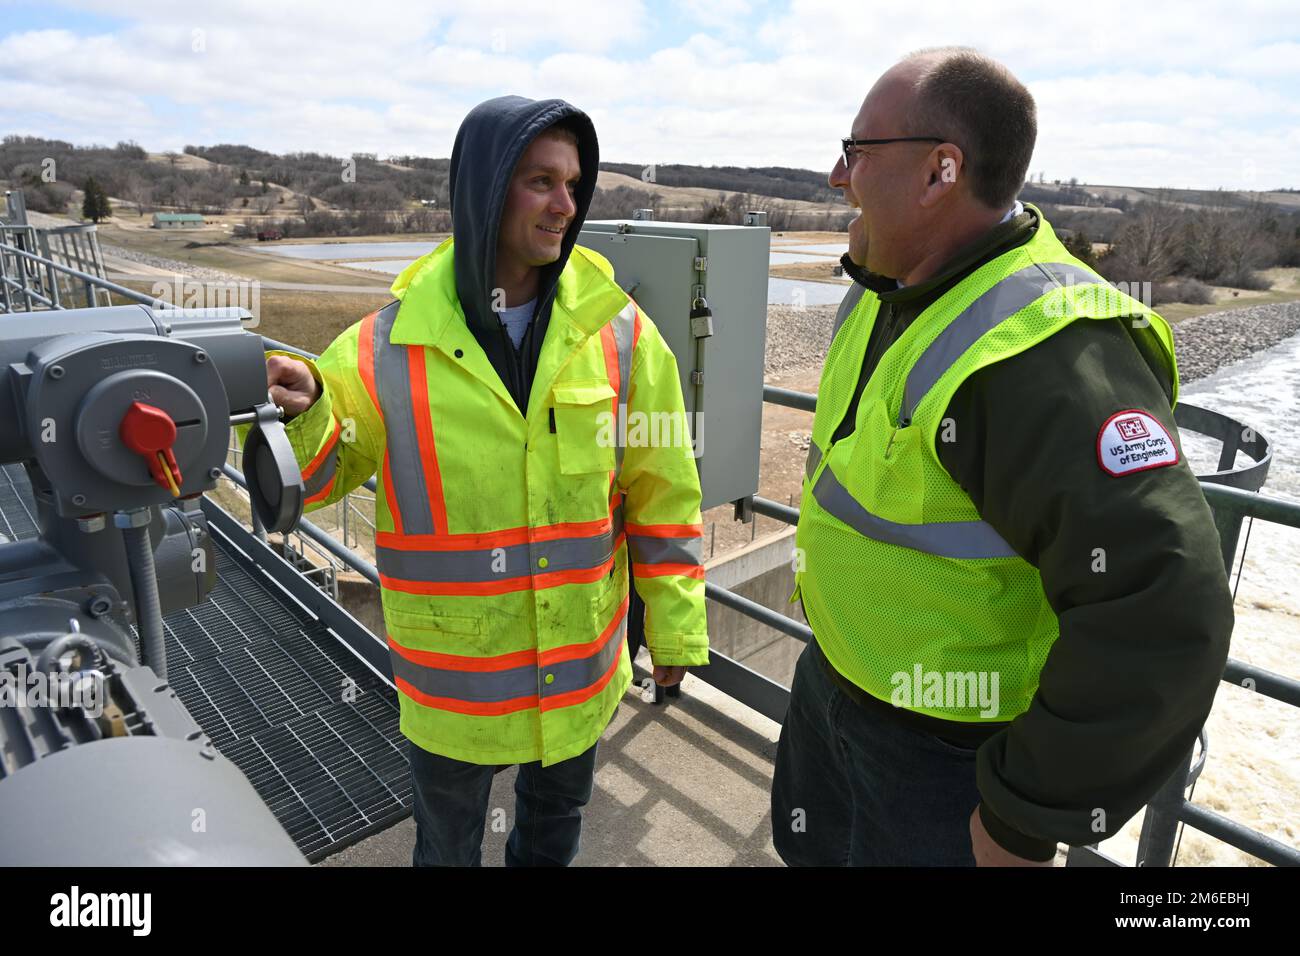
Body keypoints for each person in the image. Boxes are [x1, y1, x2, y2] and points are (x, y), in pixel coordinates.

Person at [772, 48, 1233, 866]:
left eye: (857, 150)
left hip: (943, 763)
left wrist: (1028, 813)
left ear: (941, 171)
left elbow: (1164, 606)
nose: (837, 175)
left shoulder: (1043, 348)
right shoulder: (890, 282)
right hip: (836, 692)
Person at [258, 95, 708, 866]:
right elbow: (323, 475)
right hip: (455, 687)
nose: (566, 205)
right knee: (447, 848)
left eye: (574, 184)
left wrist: (672, 625)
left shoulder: (621, 333)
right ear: (486, 188)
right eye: (540, 181)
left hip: (577, 665)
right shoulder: (386, 345)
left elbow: (662, 488)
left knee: (552, 833)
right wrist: (303, 414)